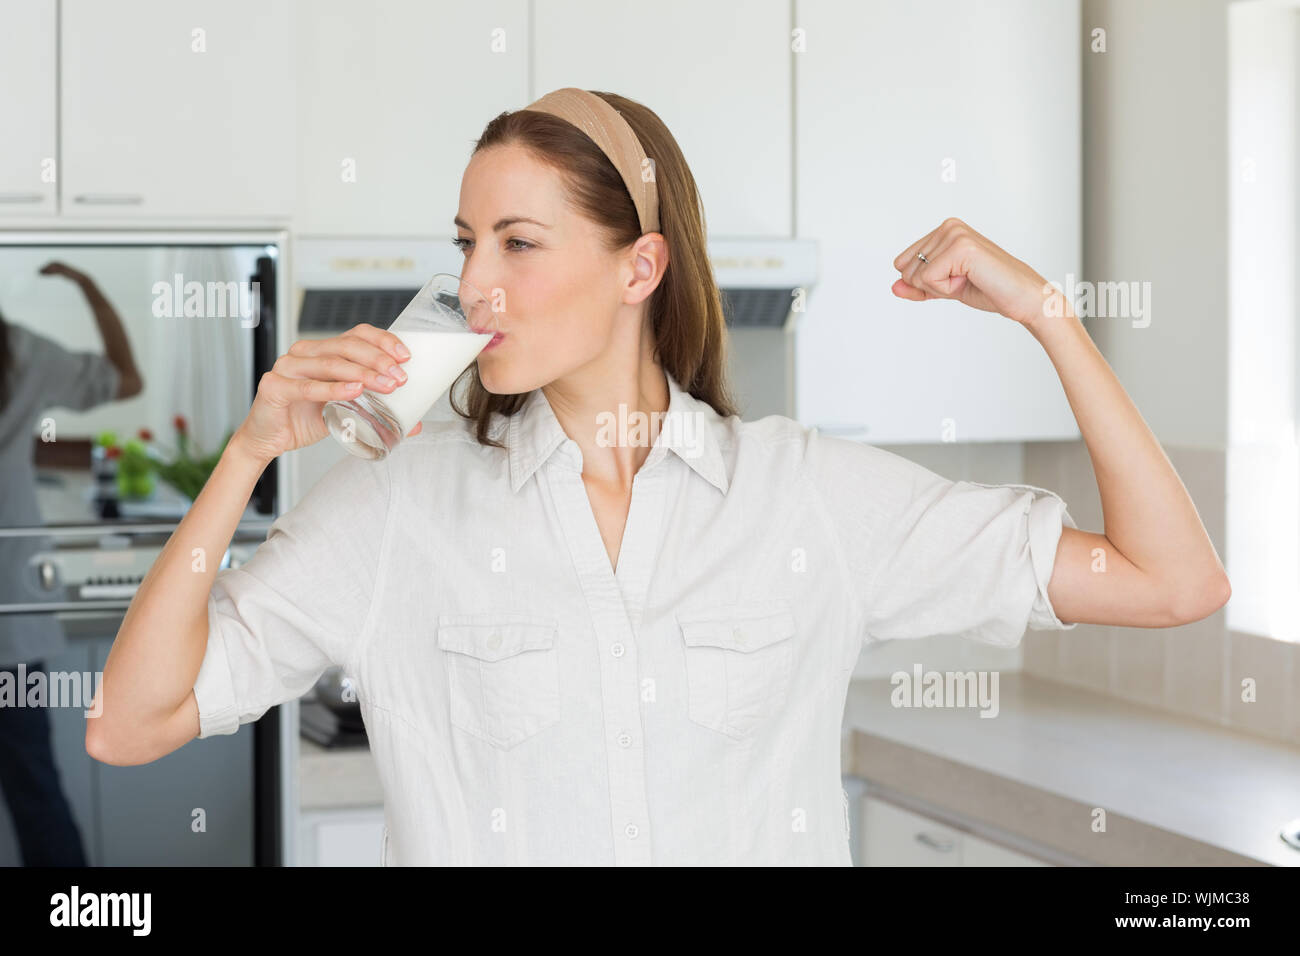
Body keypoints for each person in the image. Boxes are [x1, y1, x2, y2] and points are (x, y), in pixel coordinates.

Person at [86, 88, 1230, 866]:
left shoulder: (806, 498)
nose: (476, 283)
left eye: (518, 243)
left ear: (640, 265)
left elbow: (1169, 580)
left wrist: (1046, 314)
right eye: (465, 242)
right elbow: (129, 725)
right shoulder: (397, 506)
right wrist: (245, 455)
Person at [0, 262, 142, 865]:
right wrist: (91, 285)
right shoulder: (19, 352)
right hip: (12, 624)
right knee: (37, 796)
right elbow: (126, 379)